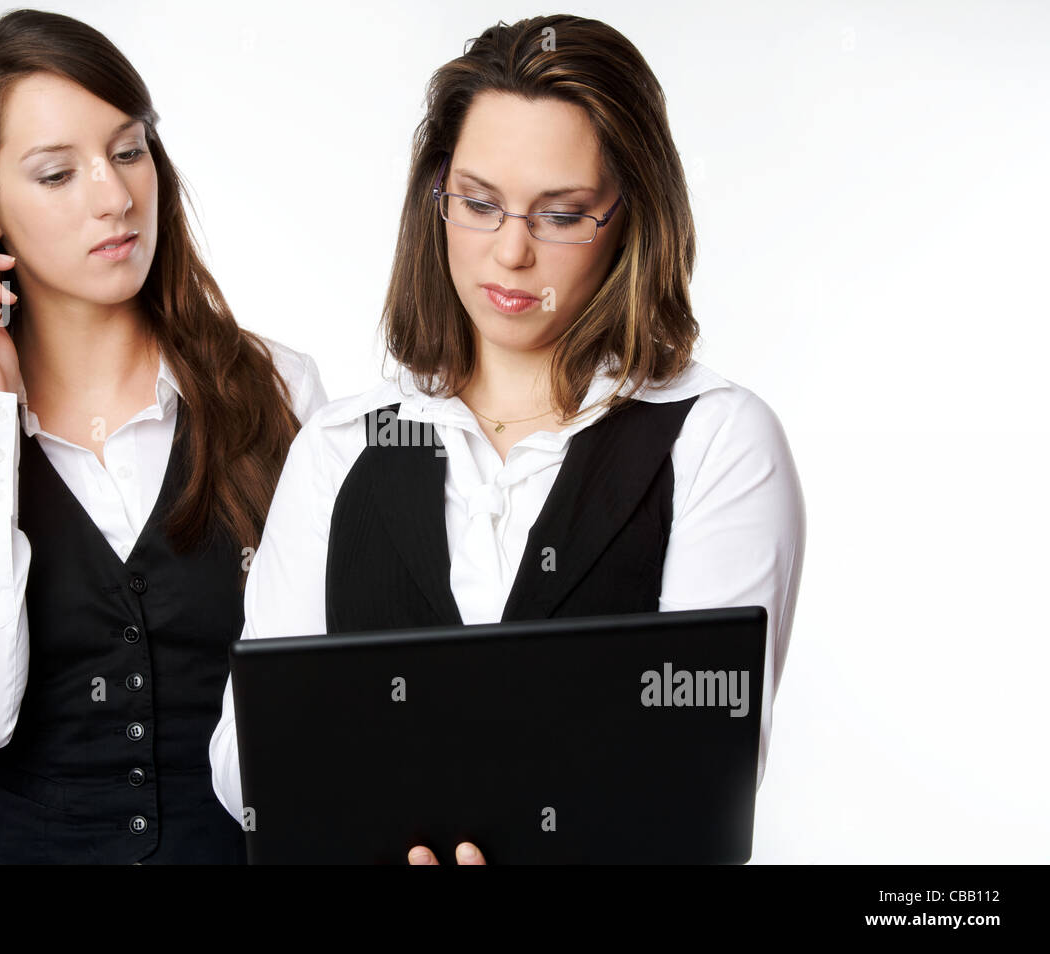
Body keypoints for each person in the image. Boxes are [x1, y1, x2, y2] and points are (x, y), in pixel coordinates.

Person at [208, 13, 805, 865]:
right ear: (437, 198)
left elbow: (700, 771)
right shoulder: (342, 448)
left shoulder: (714, 440)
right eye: (479, 204)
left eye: (561, 214)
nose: (511, 253)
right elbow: (248, 765)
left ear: (631, 218)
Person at [0, 9, 327, 864]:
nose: (115, 198)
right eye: (56, 174)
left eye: (128, 151)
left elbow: (311, 701)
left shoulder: (278, 388)